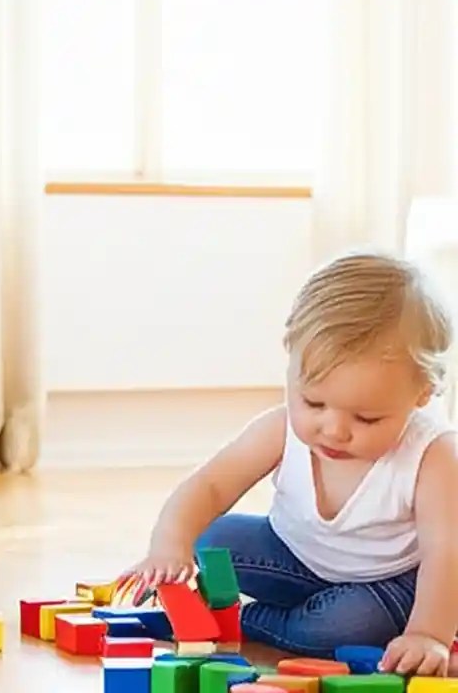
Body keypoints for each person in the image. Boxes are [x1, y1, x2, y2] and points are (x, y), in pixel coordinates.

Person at [117, 250, 458, 677]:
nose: (333, 430)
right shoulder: (279, 429)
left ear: (423, 393)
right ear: (291, 363)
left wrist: (429, 633)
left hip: (380, 586)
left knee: (341, 628)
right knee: (209, 537)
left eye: (366, 417)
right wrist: (168, 545)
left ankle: (244, 620)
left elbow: (447, 552)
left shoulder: (434, 455)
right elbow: (210, 487)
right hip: (292, 558)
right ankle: (261, 608)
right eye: (313, 402)